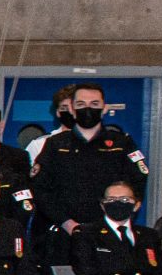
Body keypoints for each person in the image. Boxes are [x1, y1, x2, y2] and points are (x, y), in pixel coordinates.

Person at [33, 83, 149, 252]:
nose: (87, 109)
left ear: (104, 108)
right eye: (81, 104)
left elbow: (137, 184)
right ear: (72, 109)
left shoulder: (122, 144)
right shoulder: (55, 145)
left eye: (94, 104)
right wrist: (68, 224)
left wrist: (117, 221)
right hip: (63, 235)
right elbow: (40, 190)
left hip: (109, 234)